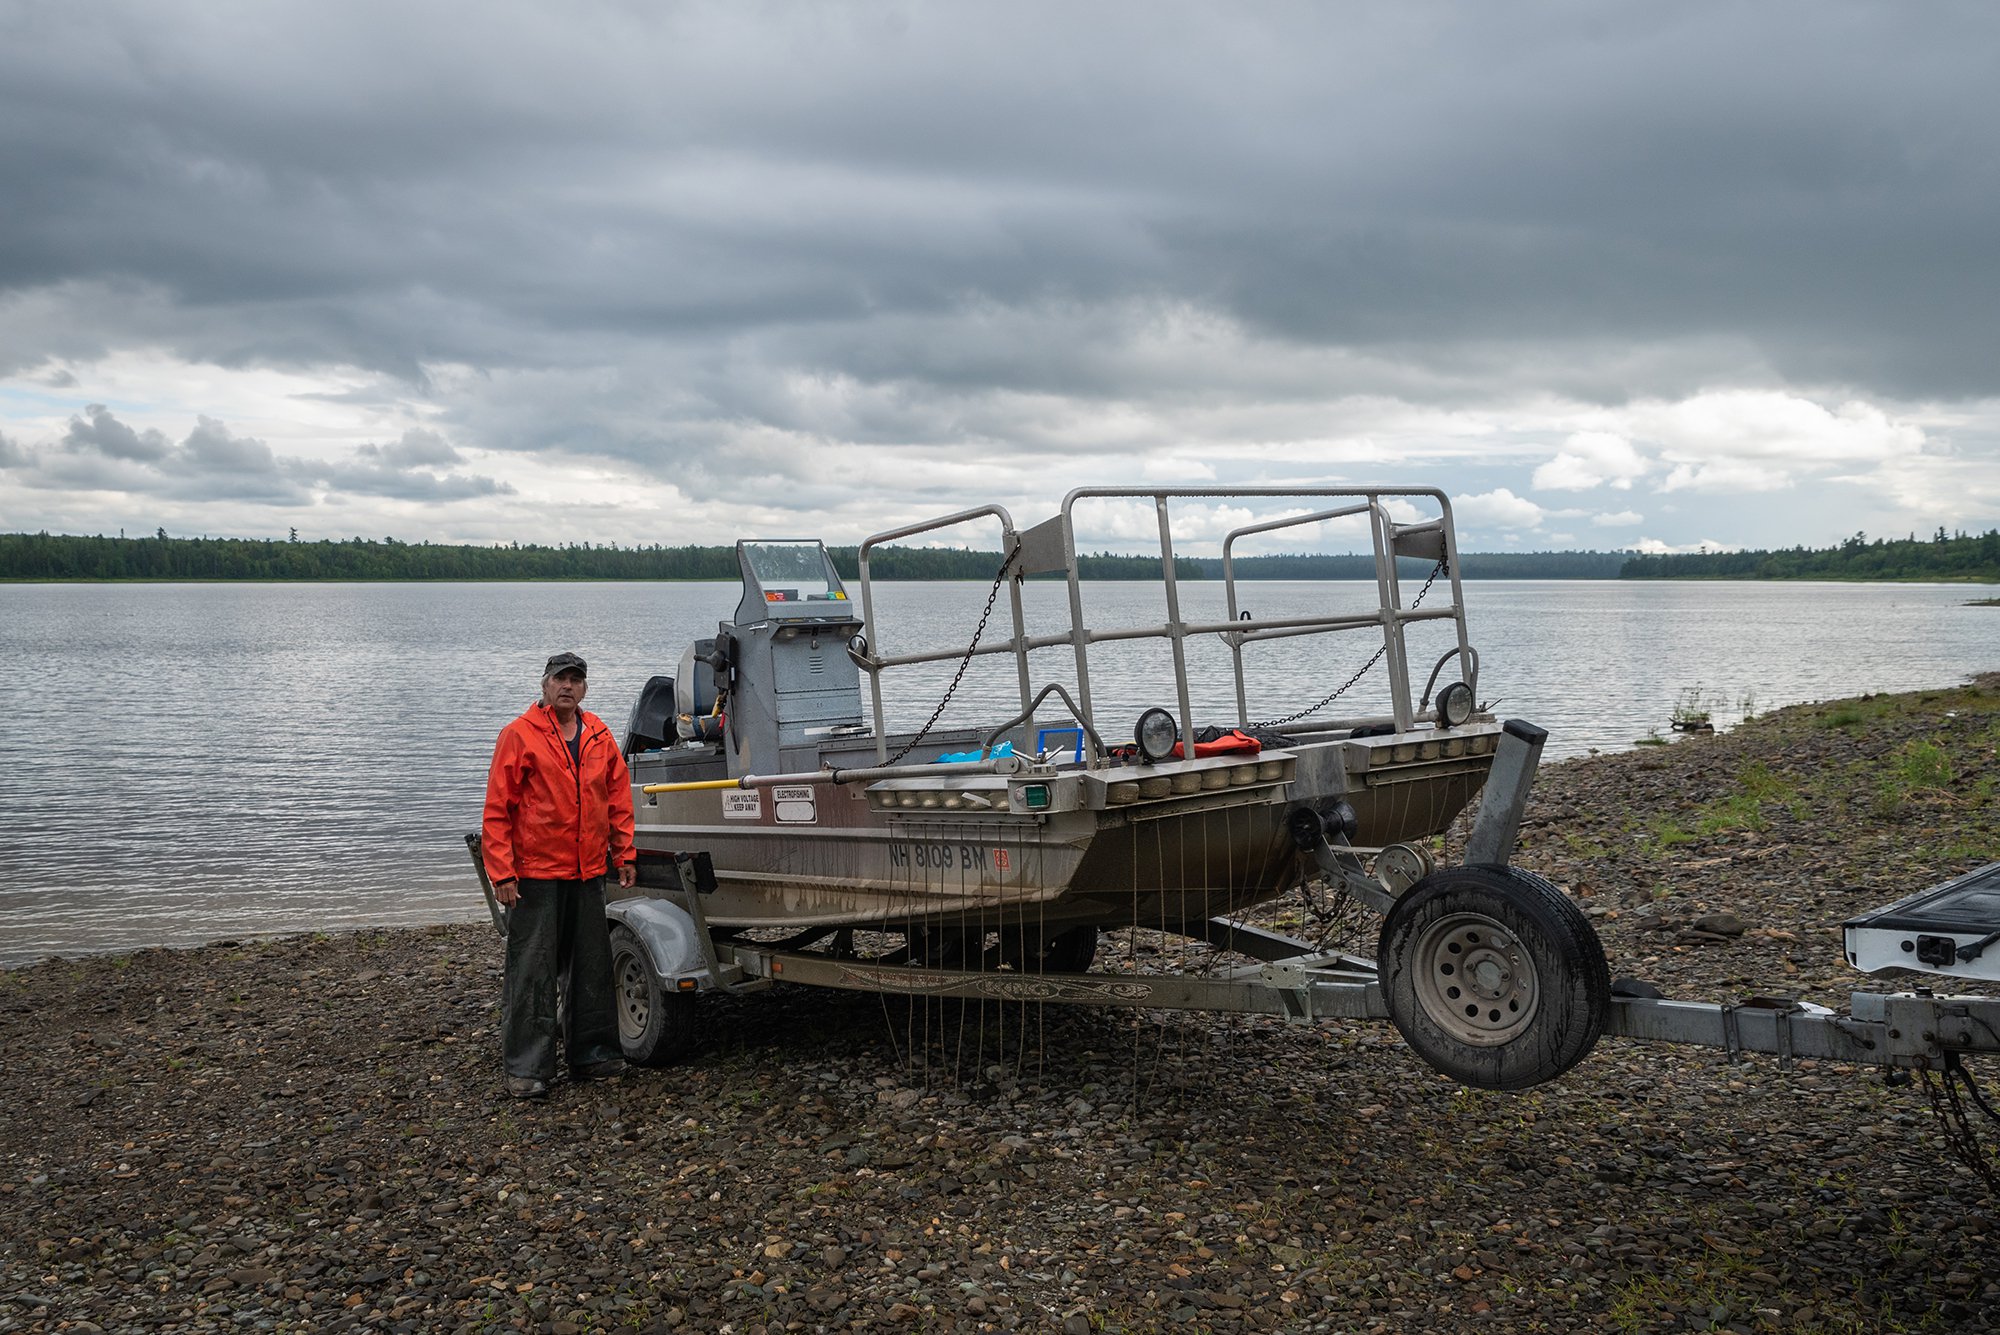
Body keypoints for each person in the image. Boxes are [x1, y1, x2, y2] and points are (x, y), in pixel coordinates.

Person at [481, 651, 639, 1099]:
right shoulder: (518, 735)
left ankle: (593, 1055)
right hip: (534, 875)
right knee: (531, 971)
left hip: (587, 871)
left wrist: (624, 855)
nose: (567, 686)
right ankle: (528, 1067)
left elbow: (618, 800)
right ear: (545, 685)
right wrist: (502, 872)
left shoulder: (599, 734)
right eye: (559, 679)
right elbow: (497, 810)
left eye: (575, 679)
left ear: (584, 687)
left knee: (590, 967)